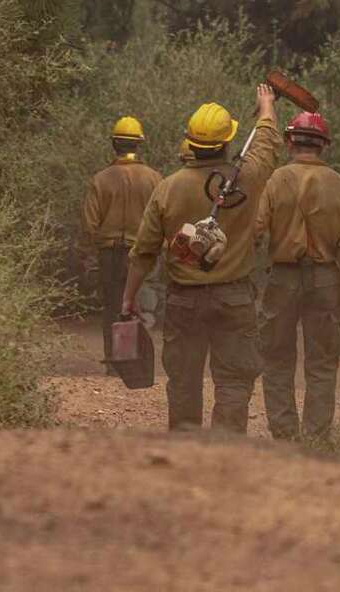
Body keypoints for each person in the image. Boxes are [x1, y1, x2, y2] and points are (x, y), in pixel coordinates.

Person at [122, 84, 281, 432]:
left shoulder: (168, 187)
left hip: (184, 299)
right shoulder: (249, 178)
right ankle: (226, 453)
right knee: (235, 382)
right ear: (227, 143)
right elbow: (267, 139)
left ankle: (186, 451)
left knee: (183, 381)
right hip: (234, 297)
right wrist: (266, 104)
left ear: (190, 142)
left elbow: (144, 252)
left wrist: (129, 298)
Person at [254, 110, 340, 440]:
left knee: (276, 356)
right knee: (323, 362)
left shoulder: (275, 180)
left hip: (282, 278)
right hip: (326, 278)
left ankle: (284, 433)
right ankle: (315, 437)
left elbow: (256, 230)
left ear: (289, 142)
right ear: (324, 146)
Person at [80, 116, 161, 366]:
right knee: (139, 304)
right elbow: (163, 218)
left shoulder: (100, 179)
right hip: (143, 252)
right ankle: (136, 361)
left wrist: (87, 253)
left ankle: (115, 361)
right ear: (138, 144)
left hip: (109, 252)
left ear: (114, 143)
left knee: (113, 305)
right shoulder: (154, 178)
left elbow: (89, 224)